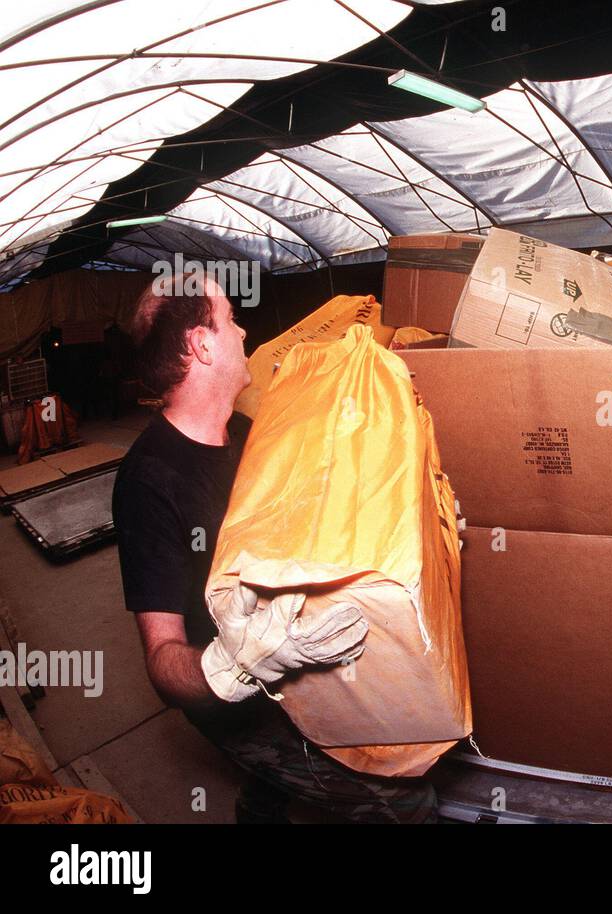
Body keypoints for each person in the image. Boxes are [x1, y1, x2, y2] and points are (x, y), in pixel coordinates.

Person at [112, 274, 439, 824]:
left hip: (295, 652)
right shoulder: (149, 482)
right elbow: (162, 661)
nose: (243, 330)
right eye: (230, 317)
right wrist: (233, 664)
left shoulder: (245, 432)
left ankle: (260, 803)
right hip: (237, 700)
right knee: (407, 801)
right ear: (202, 344)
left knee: (280, 785)